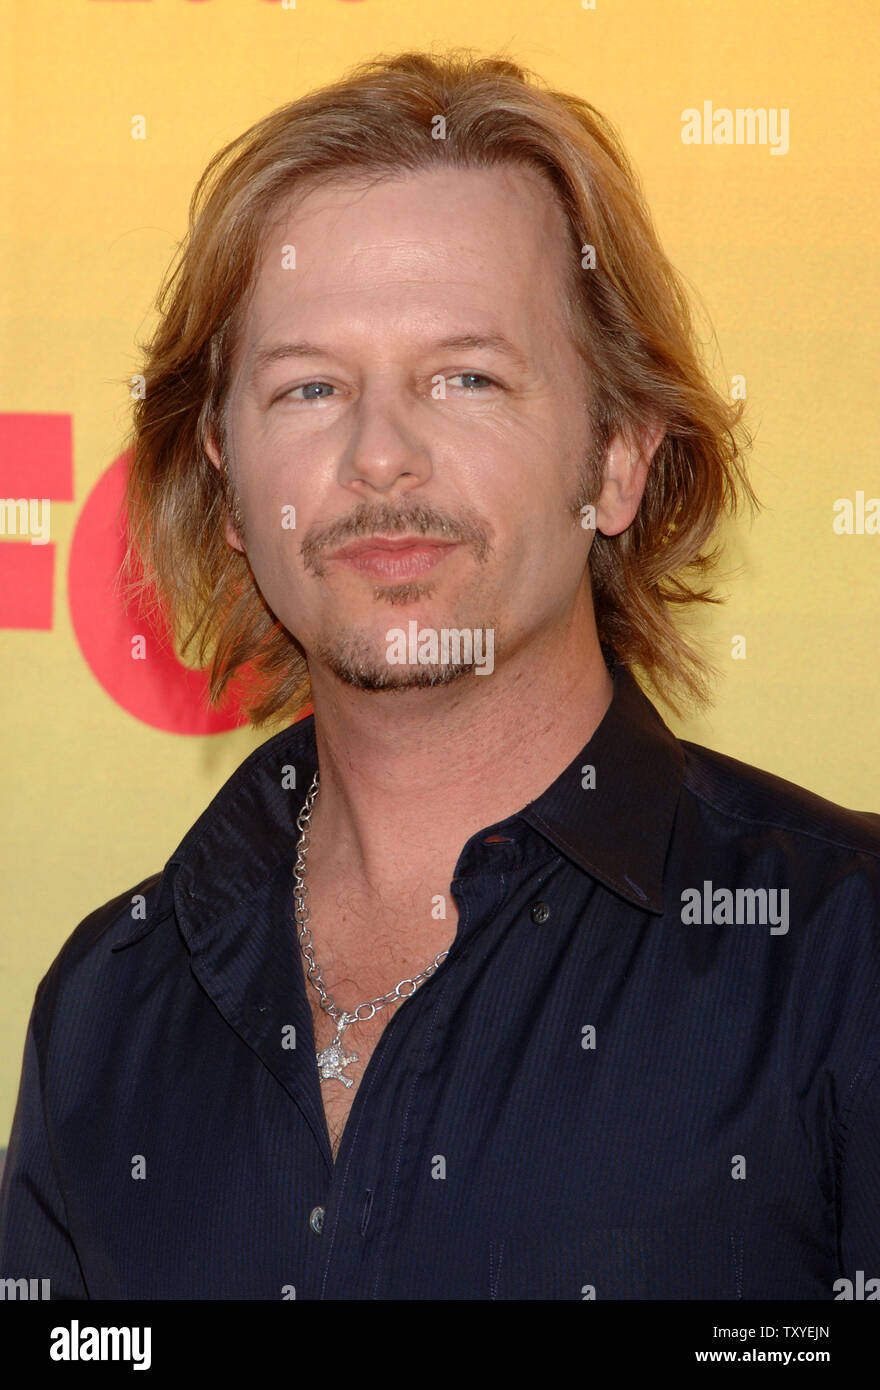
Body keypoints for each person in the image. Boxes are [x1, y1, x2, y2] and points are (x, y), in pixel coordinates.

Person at [1, 49, 878, 1301]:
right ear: (232, 486)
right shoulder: (106, 1007)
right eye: (310, 387)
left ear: (617, 457)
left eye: (464, 376)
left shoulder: (841, 957)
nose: (379, 456)